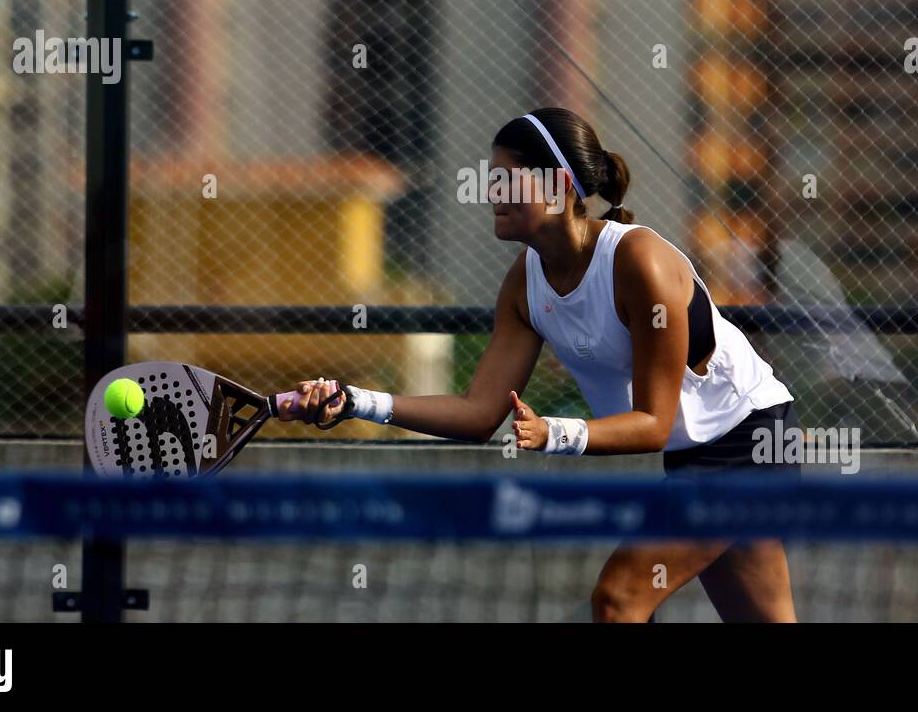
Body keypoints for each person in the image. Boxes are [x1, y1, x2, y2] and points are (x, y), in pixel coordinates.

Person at [280, 107, 799, 622]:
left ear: (559, 186)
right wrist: (356, 401)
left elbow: (652, 424)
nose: (492, 193)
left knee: (619, 599)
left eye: (507, 180)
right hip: (693, 455)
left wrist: (555, 432)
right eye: (491, 180)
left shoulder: (641, 262)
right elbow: (478, 412)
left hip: (750, 442)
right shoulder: (523, 284)